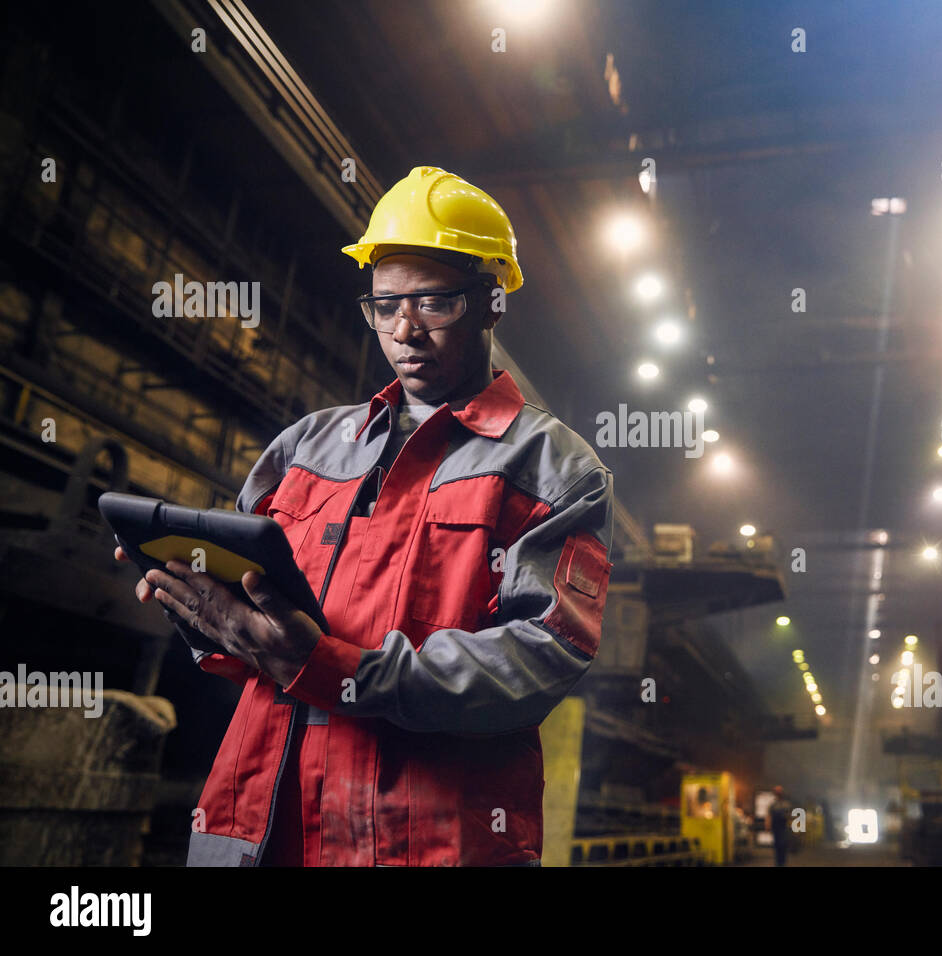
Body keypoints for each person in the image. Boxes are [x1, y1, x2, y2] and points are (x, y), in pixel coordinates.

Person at [114, 166, 614, 866]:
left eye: (434, 303)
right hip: (257, 832)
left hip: (424, 845)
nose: (405, 329)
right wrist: (200, 608)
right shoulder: (307, 444)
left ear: (492, 301)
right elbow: (243, 637)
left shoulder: (555, 469)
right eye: (385, 306)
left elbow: (538, 658)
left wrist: (331, 666)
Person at [769, 785, 794, 866]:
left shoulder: (786, 804)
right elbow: (769, 815)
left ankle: (782, 863)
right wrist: (768, 825)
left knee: (783, 846)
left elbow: (790, 816)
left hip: (784, 828)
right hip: (776, 829)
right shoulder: (773, 804)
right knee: (777, 847)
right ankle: (778, 863)